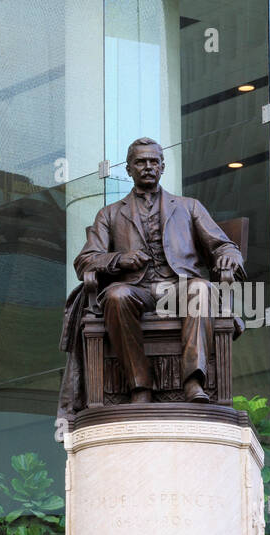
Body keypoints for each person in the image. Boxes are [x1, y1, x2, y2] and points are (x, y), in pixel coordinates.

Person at [71, 137, 243, 404]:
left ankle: (193, 382)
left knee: (200, 288)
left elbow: (224, 246)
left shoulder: (189, 207)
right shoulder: (110, 214)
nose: (148, 167)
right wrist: (119, 259)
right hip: (136, 290)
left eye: (154, 161)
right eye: (140, 162)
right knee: (116, 296)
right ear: (128, 169)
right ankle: (140, 386)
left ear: (163, 167)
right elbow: (86, 260)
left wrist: (228, 258)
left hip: (179, 288)